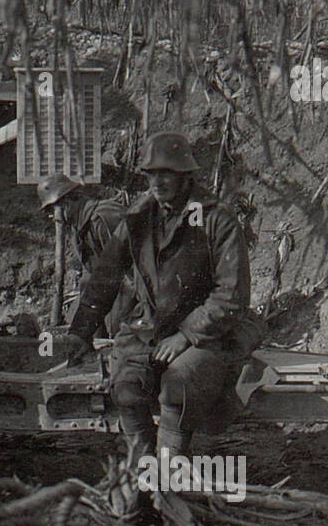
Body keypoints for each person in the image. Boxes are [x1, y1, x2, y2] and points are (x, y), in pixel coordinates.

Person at [66, 131, 263, 474]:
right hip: (149, 329)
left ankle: (170, 476)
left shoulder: (216, 218)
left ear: (186, 175)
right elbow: (105, 277)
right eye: (151, 174)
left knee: (179, 384)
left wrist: (186, 335)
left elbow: (232, 295)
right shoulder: (139, 217)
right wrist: (80, 333)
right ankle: (142, 477)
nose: (157, 182)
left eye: (166, 173)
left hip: (209, 333)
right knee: (126, 387)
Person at [37, 173, 132, 336]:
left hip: (131, 291)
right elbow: (90, 277)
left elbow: (130, 273)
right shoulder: (78, 227)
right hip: (109, 290)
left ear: (68, 200)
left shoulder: (103, 218)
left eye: (52, 209)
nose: (51, 216)